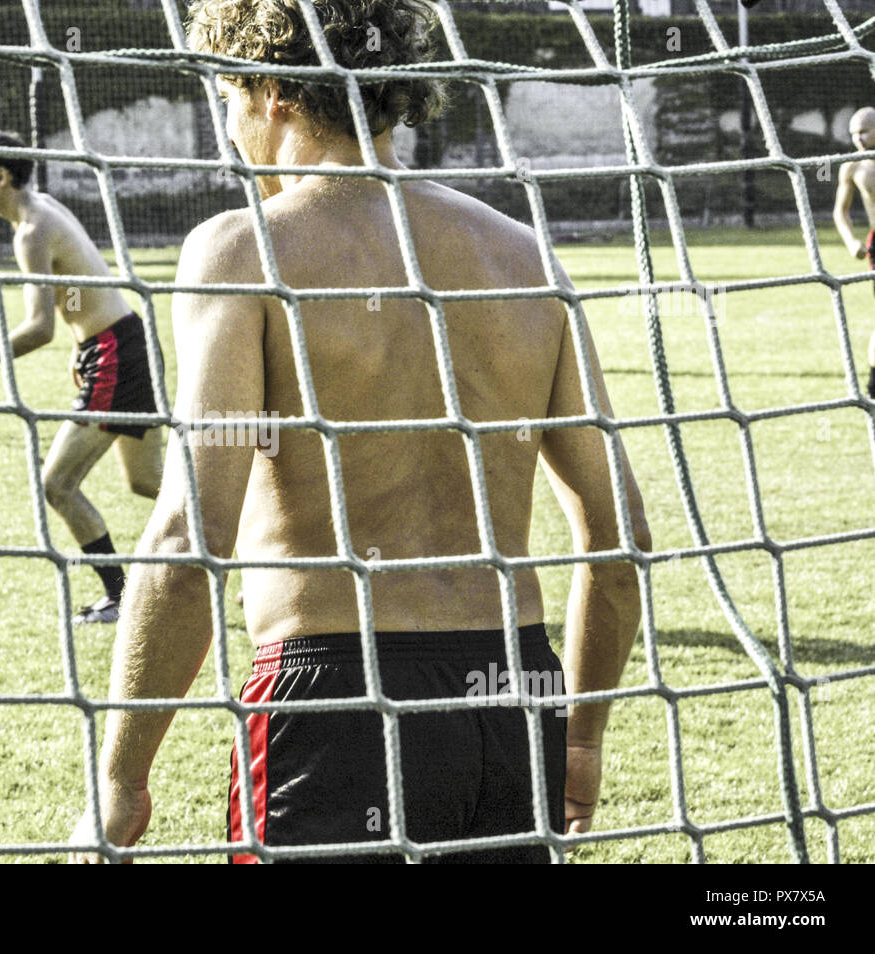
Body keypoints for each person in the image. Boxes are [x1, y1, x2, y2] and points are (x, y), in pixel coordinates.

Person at [70, 0, 650, 863]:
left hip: (334, 705)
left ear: (271, 92)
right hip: (511, 696)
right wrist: (582, 741)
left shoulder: (242, 252)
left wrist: (119, 781)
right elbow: (620, 542)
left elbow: (191, 539)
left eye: (228, 97)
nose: (230, 131)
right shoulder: (525, 258)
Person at [0, 128, 163, 625]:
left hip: (115, 355)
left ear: (1, 176)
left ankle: (120, 595)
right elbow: (79, 292)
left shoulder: (32, 231)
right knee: (148, 483)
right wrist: (84, 348)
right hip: (123, 345)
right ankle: (255, 540)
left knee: (57, 484)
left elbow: (38, 329)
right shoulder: (42, 209)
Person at [832, 106, 875, 400]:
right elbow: (840, 212)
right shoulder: (852, 166)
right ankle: (873, 387)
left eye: (864, 131)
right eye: (853, 133)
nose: (858, 138)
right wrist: (850, 242)